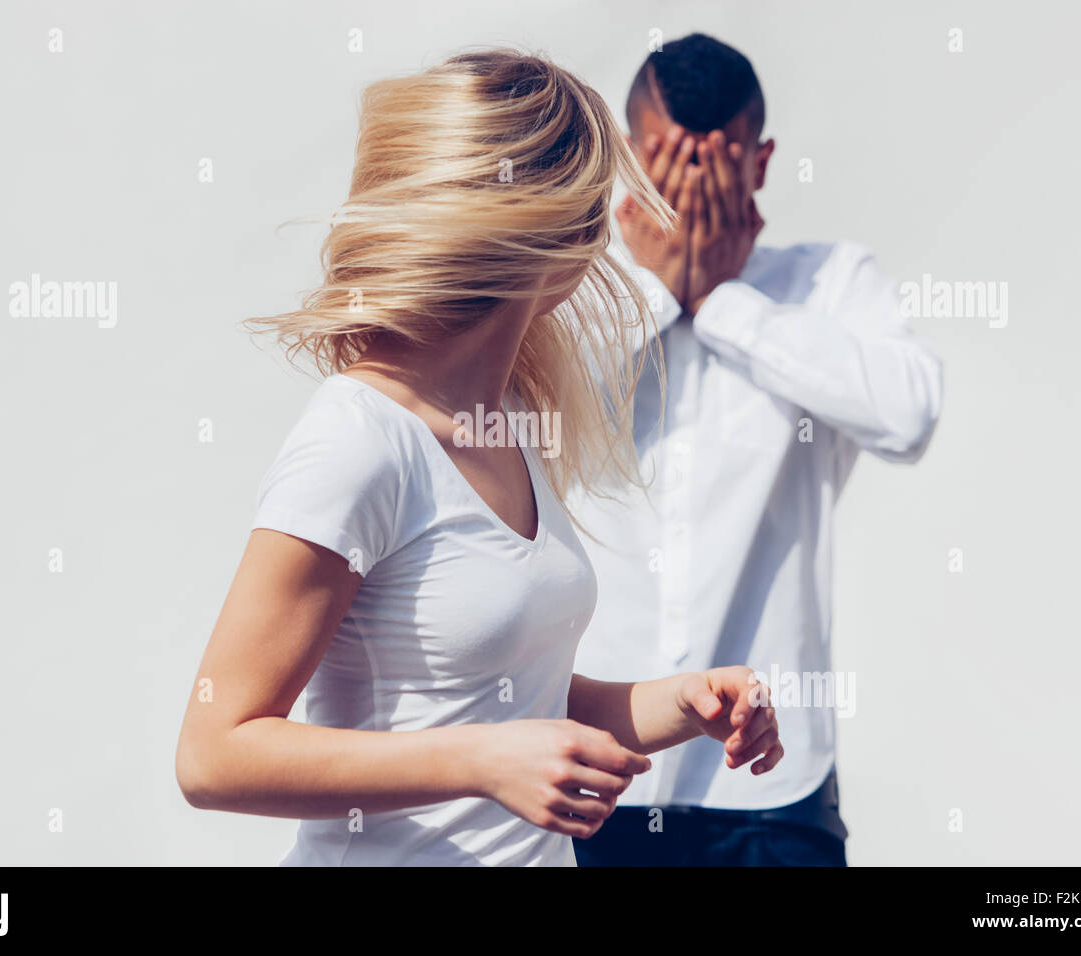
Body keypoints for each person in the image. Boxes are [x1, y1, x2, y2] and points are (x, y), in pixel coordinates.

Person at [174, 49, 783, 867]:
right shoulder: (358, 440)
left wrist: (679, 702)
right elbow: (214, 753)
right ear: (563, 232)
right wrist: (480, 761)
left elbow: (508, 704)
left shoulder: (511, 425)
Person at [570, 33, 943, 867]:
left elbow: (909, 414)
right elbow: (525, 410)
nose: (689, 189)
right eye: (668, 161)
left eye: (717, 161)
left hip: (773, 789)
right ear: (631, 162)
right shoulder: (577, 291)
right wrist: (663, 291)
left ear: (762, 162)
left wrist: (725, 302)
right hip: (594, 764)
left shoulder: (828, 283)